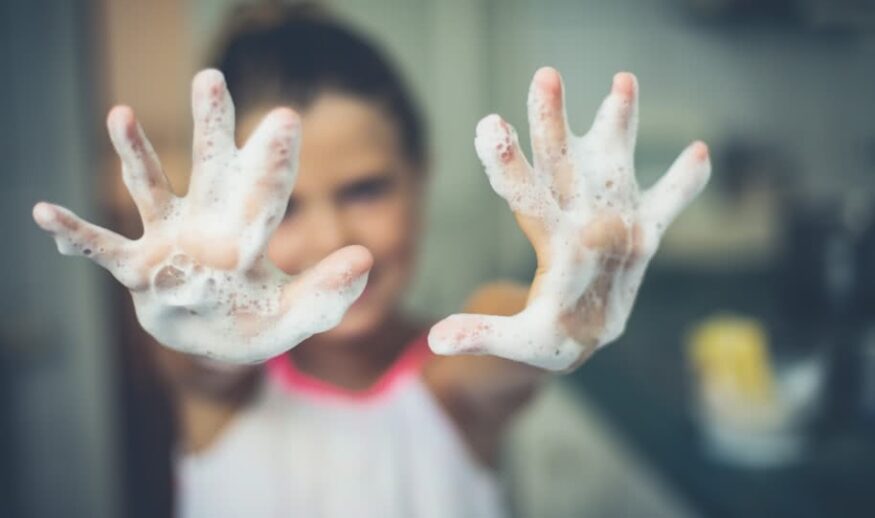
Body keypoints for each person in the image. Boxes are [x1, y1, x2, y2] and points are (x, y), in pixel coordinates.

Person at [31, 3, 710, 517]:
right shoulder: (224, 387)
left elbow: (505, 331)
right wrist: (193, 310)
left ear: (421, 176)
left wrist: (553, 314)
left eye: (365, 189)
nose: (332, 236)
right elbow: (194, 363)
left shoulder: (452, 382)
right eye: (285, 208)